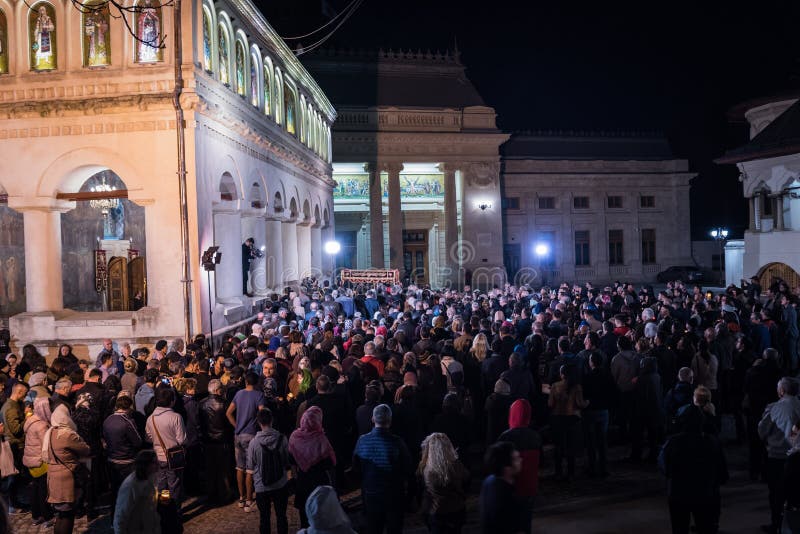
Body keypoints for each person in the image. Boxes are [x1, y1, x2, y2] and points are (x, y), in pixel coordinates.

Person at [659, 405, 729, 534]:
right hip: (704, 493)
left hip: (678, 493)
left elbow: (664, 466)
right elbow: (722, 470)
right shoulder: (711, 442)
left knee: (679, 528)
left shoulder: (673, 442)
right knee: (705, 528)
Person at [353, 404, 411, 534]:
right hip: (394, 492)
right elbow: (407, 466)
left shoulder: (362, 440)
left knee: (374, 527)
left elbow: (356, 466)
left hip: (371, 490)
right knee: (394, 528)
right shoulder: (397, 442)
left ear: (373, 419)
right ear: (390, 421)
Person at [758, 377, 800, 534]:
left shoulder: (774, 407)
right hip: (797, 456)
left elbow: (762, 431)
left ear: (782, 391)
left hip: (777, 456)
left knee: (776, 493)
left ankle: (777, 524)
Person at [45, 404, 91, 534]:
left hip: (53, 475)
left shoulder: (50, 432)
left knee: (61, 514)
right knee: (68, 514)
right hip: (66, 478)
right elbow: (85, 449)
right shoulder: (66, 434)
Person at [497, 399, 541, 533]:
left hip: (511, 487)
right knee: (526, 522)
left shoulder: (505, 437)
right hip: (529, 486)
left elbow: (499, 464)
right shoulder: (536, 436)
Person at [289, 406, 337, 527]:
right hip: (319, 482)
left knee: (304, 518)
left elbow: (291, 459)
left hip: (303, 481)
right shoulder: (321, 439)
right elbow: (330, 463)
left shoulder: (295, 437)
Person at [226, 371, 266, 512]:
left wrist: (237, 425)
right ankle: (249, 500)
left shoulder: (239, 394)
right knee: (250, 469)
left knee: (239, 467)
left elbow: (228, 413)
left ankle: (241, 498)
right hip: (252, 435)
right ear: (256, 383)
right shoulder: (259, 395)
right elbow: (262, 414)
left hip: (238, 435)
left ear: (245, 382)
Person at [417, 432, 470, 534]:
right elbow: (466, 479)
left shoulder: (425, 468)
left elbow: (422, 490)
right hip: (456, 509)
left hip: (435, 512)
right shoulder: (456, 465)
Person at [247, 408, 290, 534]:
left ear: (259, 422)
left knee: (264, 519)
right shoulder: (282, 439)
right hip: (280, 484)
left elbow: (250, 467)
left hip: (262, 486)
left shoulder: (254, 443)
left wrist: (249, 497)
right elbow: (287, 461)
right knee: (281, 516)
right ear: (272, 420)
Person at [145, 387, 187, 506]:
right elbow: (182, 440)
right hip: (173, 458)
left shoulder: (150, 418)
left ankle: (164, 509)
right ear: (171, 401)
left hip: (158, 456)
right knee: (174, 486)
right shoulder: (176, 417)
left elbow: (148, 438)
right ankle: (174, 512)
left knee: (162, 486)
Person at [103, 395, 143, 515]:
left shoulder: (108, 420)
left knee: (115, 490)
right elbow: (138, 441)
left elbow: (104, 438)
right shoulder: (127, 422)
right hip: (127, 461)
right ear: (129, 407)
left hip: (112, 460)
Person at [547, 365, 587, 480]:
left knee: (558, 446)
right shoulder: (577, 386)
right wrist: (587, 402)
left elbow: (550, 404)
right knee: (571, 447)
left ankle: (558, 472)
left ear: (561, 374)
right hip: (572, 419)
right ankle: (571, 472)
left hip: (558, 418)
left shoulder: (555, 386)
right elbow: (580, 404)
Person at [199, 379, 235, 505]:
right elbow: (230, 422)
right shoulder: (225, 404)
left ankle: (212, 494)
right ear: (217, 390)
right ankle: (224, 493)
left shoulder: (202, 404)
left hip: (208, 441)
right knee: (223, 469)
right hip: (223, 440)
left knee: (211, 469)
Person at [479, 441, 523, 534]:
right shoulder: (505, 496)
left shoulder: (489, 481)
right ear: (507, 468)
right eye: (516, 459)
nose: (521, 460)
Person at [113, 450, 161, 534]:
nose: (158, 465)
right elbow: (121, 515)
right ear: (145, 465)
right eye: (154, 462)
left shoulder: (152, 477)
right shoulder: (131, 485)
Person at [23, 397, 53, 526]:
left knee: (35, 489)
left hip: (31, 460)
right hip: (41, 462)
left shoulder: (30, 420)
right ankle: (47, 517)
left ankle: (36, 515)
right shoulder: (41, 425)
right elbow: (46, 446)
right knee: (43, 490)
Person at [2, 382, 28, 512]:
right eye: (25, 393)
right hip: (15, 445)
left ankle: (14, 502)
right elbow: (16, 429)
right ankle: (13, 504)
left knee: (15, 476)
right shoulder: (11, 408)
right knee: (14, 476)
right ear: (19, 392)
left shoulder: (11, 405)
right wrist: (27, 417)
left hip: (14, 444)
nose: (26, 396)